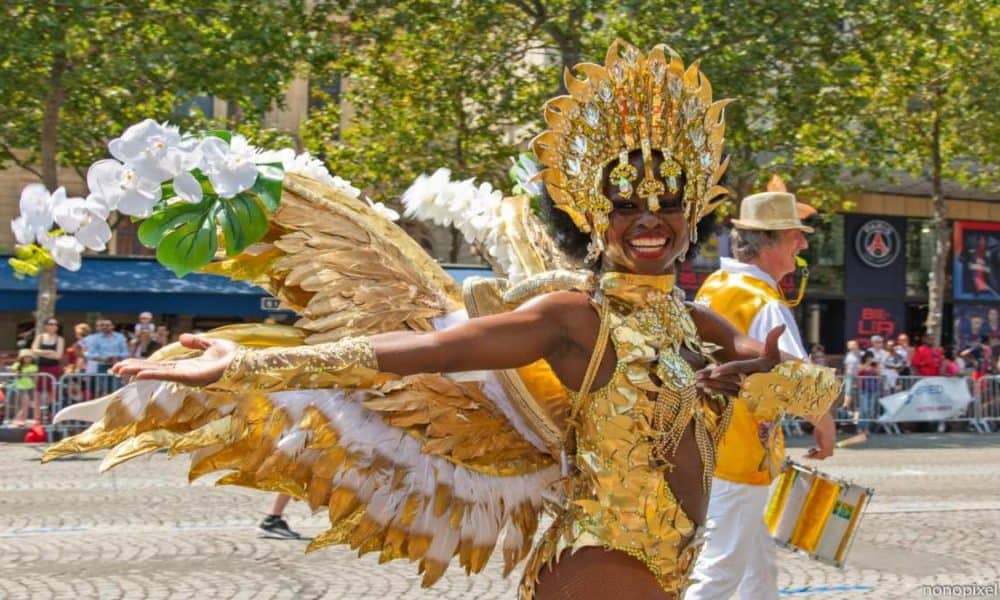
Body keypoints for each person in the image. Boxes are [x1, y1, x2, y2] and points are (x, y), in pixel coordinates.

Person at [52, 41, 840, 599]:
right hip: (604, 558)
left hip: (669, 559)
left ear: (692, 213)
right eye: (625, 205)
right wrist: (243, 366)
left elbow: (801, 388)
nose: (648, 220)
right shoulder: (573, 316)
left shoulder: (695, 321)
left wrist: (769, 378)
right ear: (592, 219)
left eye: (667, 204)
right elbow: (424, 350)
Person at [686, 191, 836, 600]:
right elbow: (798, 380)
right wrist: (825, 426)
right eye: (794, 237)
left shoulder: (716, 284)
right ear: (769, 244)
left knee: (757, 567)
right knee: (720, 572)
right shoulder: (763, 301)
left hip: (709, 443)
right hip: (739, 451)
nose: (802, 245)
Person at [31, 317, 65, 412]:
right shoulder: (40, 337)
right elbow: (33, 351)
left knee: (52, 393)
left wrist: (40, 352)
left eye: (55, 324)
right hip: (40, 369)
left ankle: (51, 416)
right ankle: (37, 418)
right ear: (46, 326)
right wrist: (49, 351)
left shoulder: (60, 339)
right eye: (51, 324)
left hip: (54, 368)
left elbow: (58, 356)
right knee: (37, 393)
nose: (54, 326)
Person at [10, 349, 39, 426]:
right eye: (25, 357)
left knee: (27, 404)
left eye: (29, 357)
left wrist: (30, 375)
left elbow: (35, 377)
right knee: (25, 403)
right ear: (22, 358)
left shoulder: (34, 366)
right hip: (21, 387)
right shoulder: (17, 365)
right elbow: (13, 371)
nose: (27, 359)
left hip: (30, 387)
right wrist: (18, 373)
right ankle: (20, 419)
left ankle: (20, 420)